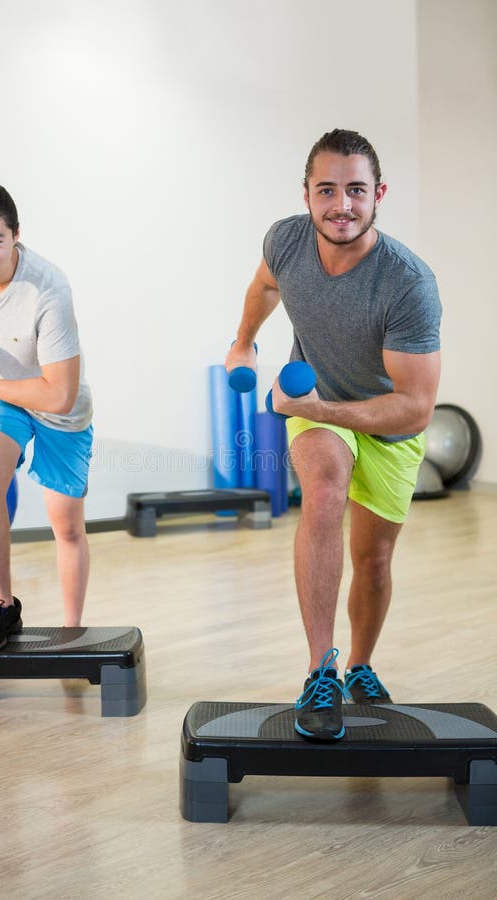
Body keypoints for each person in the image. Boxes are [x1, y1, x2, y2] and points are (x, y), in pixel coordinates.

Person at [225, 129, 441, 741]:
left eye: (355, 190)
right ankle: (320, 669)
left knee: (373, 561)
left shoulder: (407, 282)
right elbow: (265, 286)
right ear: (307, 195)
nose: (341, 204)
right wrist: (243, 341)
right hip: (315, 408)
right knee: (321, 494)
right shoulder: (286, 240)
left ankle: (359, 664)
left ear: (379, 195)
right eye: (327, 190)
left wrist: (320, 408)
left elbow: (416, 408)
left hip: (387, 420)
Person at [0, 182, 93, 654]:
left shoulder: (49, 288)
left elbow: (60, 395)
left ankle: (71, 632)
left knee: (64, 524)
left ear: (16, 235)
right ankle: (4, 606)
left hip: (56, 406)